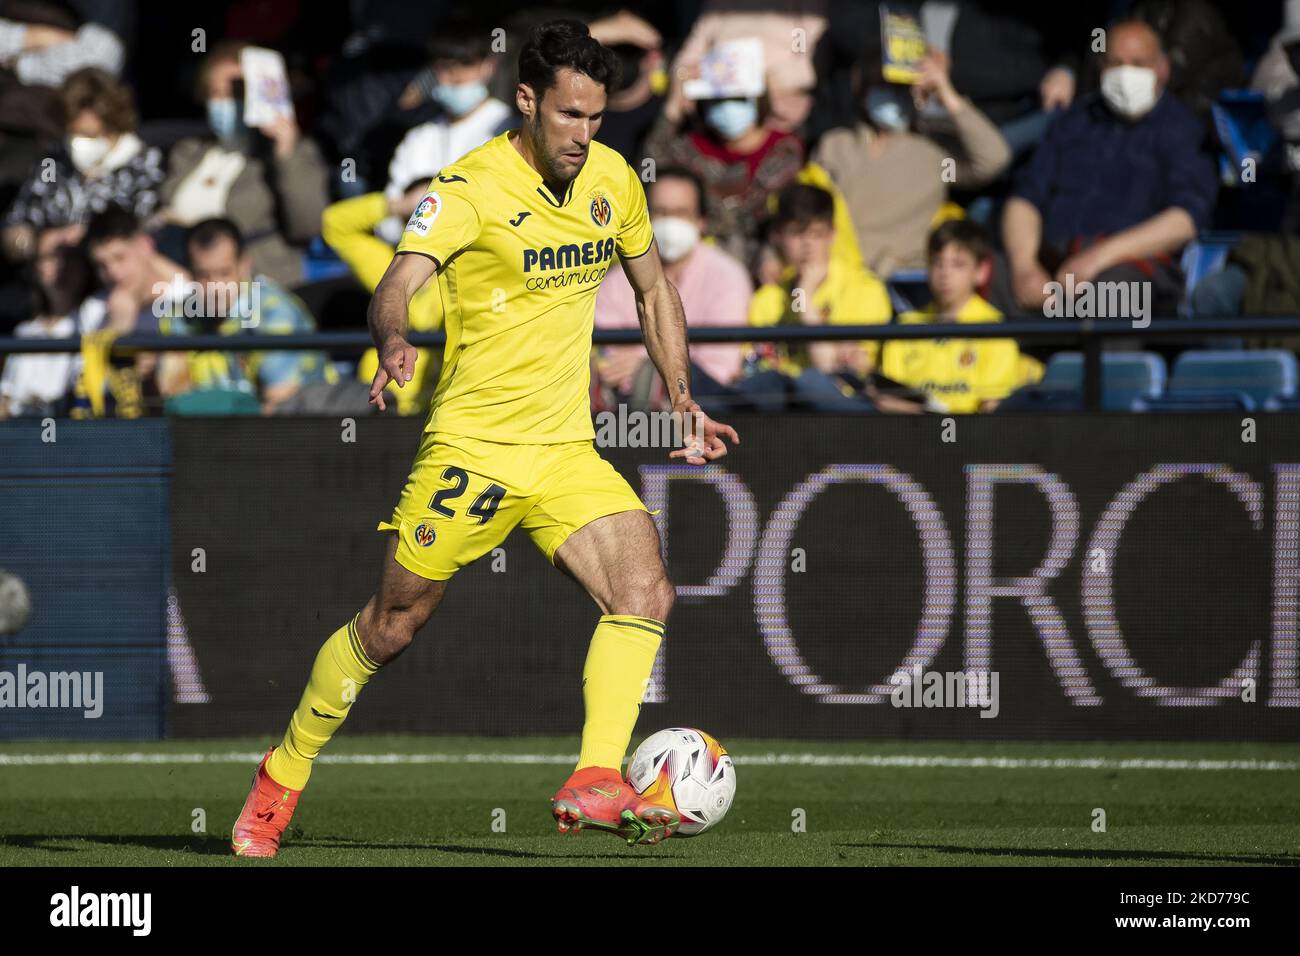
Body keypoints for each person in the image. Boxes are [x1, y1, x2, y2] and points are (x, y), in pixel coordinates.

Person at [230, 19, 738, 858]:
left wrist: (680, 394)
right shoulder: (466, 188)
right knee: (391, 626)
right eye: (571, 116)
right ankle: (283, 772)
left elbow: (654, 294)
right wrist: (394, 340)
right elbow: (397, 281)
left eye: (598, 118)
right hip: (471, 450)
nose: (585, 134)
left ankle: (595, 775)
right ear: (529, 101)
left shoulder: (614, 179)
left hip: (566, 449)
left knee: (644, 589)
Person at [996, 19, 1218, 319]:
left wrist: (1096, 259)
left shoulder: (1183, 129)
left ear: (1162, 68)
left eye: (1138, 64)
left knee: (1116, 292)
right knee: (978, 277)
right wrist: (1024, 268)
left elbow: (1186, 219)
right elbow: (1026, 197)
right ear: (1101, 67)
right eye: (1116, 63)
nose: (1126, 73)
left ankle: (1102, 367)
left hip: (1129, 270)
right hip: (1052, 266)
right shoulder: (1073, 121)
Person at [813, 48, 1010, 276]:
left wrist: (946, 93)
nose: (892, 93)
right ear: (863, 90)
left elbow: (994, 158)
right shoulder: (834, 144)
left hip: (898, 281)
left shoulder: (934, 154)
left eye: (901, 87)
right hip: (831, 275)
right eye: (882, 85)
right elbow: (807, 212)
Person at [156, 40, 329, 288]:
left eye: (236, 93)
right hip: (180, 278)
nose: (225, 103)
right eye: (216, 94)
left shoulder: (287, 154)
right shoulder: (189, 151)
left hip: (255, 284)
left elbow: (309, 224)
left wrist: (286, 152)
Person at [593, 166, 751, 412]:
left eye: (681, 213)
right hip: (626, 413)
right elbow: (608, 363)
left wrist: (646, 363)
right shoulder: (614, 280)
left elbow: (719, 369)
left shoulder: (727, 277)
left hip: (706, 407)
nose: (670, 222)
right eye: (661, 212)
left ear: (701, 222)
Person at [158, 218, 337, 414]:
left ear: (244, 265)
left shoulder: (275, 315)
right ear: (190, 271)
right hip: (210, 433)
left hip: (299, 430)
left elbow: (280, 408)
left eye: (224, 274)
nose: (214, 288)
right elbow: (170, 396)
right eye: (204, 276)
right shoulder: (181, 319)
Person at [742, 183, 890, 412]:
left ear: (833, 234)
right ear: (778, 236)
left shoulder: (865, 289)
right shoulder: (766, 299)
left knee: (810, 381)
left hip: (842, 408)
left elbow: (829, 369)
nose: (808, 244)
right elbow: (753, 369)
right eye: (796, 233)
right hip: (780, 408)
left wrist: (805, 297)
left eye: (817, 234)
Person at [876, 220, 1041, 414]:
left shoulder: (996, 330)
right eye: (937, 262)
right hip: (911, 434)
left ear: (981, 271)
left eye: (958, 264)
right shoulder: (905, 326)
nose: (945, 273)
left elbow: (991, 408)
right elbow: (889, 401)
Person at [3, 67, 164, 262]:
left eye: (90, 135)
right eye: (74, 134)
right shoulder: (54, 160)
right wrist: (34, 243)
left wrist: (86, 238)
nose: (80, 143)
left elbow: (146, 229)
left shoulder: (144, 163)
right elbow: (18, 220)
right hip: (48, 268)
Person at [379, 17, 515, 244]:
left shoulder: (509, 128)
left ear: (488, 66)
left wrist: (419, 205)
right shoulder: (417, 138)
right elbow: (386, 227)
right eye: (445, 67)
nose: (456, 76)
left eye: (466, 64)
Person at [320, 180, 442, 414]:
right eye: (419, 213)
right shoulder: (389, 264)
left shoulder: (464, 267)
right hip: (382, 406)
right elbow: (334, 224)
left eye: (434, 213)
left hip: (435, 407)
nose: (427, 224)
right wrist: (398, 206)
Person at [0, 225, 103, 417]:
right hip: (24, 436)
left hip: (72, 432)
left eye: (70, 256)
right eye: (51, 256)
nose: (61, 266)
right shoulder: (26, 330)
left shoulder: (99, 313)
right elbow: (7, 397)